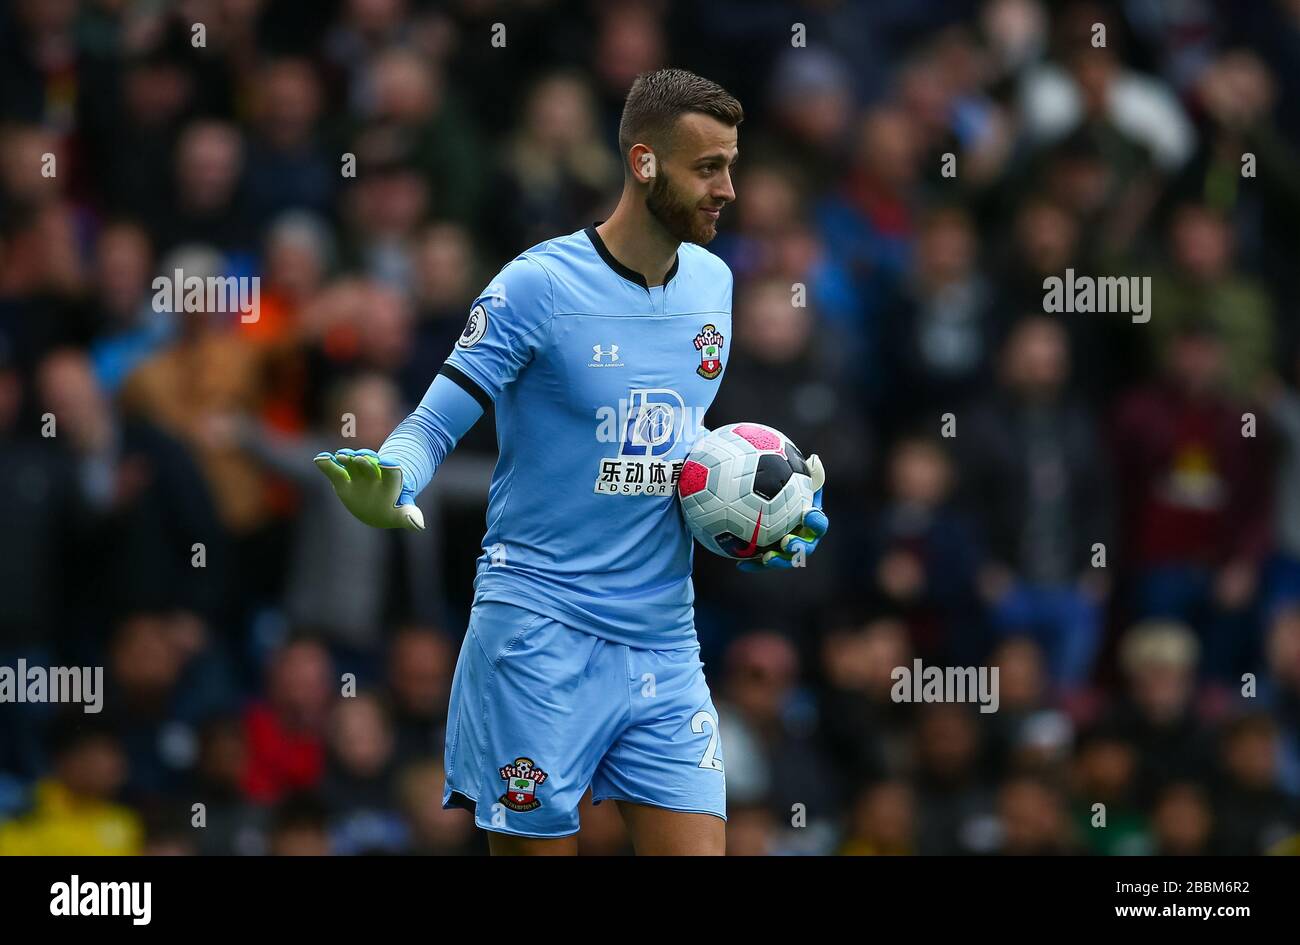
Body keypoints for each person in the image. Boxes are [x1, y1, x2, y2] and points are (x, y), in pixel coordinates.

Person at [311, 69, 828, 855]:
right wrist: (396, 477)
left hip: (663, 640)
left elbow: (677, 442)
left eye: (731, 163)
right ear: (644, 163)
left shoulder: (716, 283)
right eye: (707, 167)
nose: (728, 187)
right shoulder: (538, 285)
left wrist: (758, 521)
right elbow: (435, 416)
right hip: (539, 634)